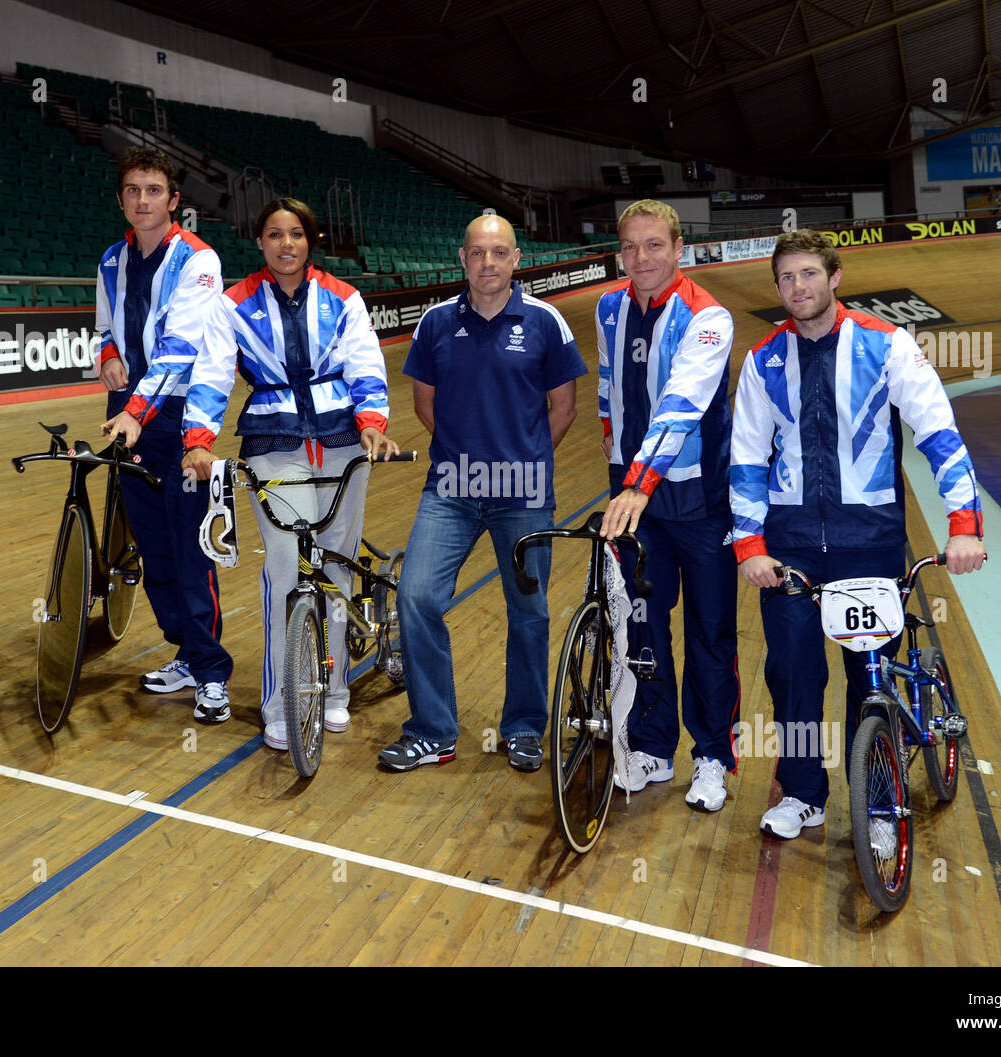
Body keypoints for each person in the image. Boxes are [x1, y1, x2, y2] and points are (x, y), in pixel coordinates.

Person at [731, 229, 986, 841]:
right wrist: (749, 545)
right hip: (789, 549)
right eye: (786, 278)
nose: (798, 287)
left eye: (809, 274)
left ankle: (878, 805)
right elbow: (743, 458)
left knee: (868, 681)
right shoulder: (764, 359)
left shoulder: (887, 345)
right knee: (792, 678)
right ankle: (801, 795)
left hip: (868, 543)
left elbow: (938, 434)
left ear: (835, 276)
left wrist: (964, 526)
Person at [181, 198, 399, 750]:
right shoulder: (232, 305)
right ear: (260, 242)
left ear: (310, 241)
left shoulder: (343, 297)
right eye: (274, 234)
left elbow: (366, 363)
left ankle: (335, 693)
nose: (285, 244)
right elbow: (210, 375)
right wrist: (198, 440)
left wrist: (373, 422)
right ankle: (282, 703)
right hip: (273, 447)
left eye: (296, 234)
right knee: (284, 570)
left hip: (345, 445)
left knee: (335, 569)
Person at [378, 214, 587, 772]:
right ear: (463, 259)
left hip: (523, 494)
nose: (488, 264)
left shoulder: (546, 321)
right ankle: (432, 730)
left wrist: (525, 461)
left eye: (499, 253)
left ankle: (523, 727)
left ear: (517, 259)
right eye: (477, 253)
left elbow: (562, 408)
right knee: (416, 597)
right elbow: (426, 405)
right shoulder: (435, 322)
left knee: (528, 612)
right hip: (450, 488)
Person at [596, 199, 741, 811]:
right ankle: (653, 747)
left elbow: (681, 404)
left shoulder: (708, 317)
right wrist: (617, 476)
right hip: (634, 500)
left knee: (710, 634)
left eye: (654, 245)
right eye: (630, 246)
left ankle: (712, 757)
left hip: (699, 503)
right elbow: (609, 393)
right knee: (642, 628)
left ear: (679, 249)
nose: (641, 258)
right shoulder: (609, 308)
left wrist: (637, 483)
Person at [96, 146, 234, 724]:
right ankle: (185, 650)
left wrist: (135, 410)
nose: (143, 200)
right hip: (128, 414)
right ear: (122, 199)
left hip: (178, 418)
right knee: (152, 547)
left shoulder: (198, 260)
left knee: (189, 544)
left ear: (174, 201)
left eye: (154, 191)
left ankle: (211, 673)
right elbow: (105, 325)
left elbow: (179, 350)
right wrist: (106, 353)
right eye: (133, 190)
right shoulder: (110, 259)